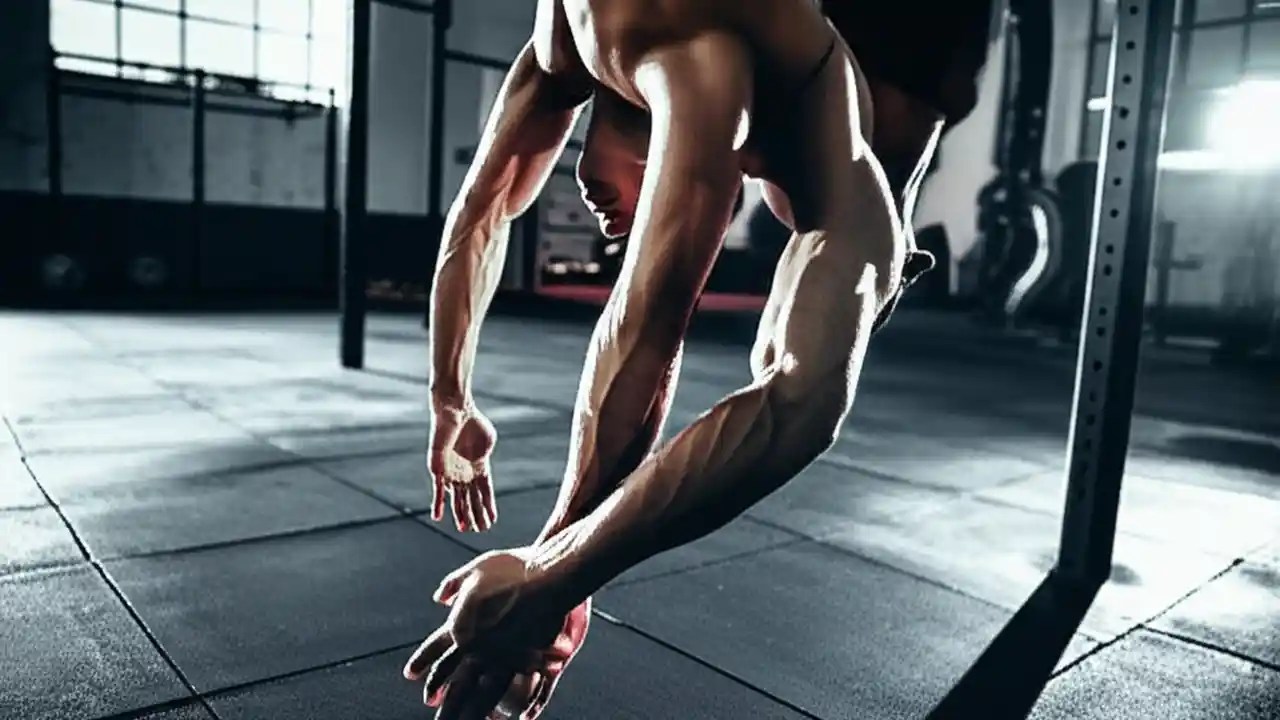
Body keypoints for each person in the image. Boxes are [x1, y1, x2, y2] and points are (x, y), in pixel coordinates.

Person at [411, 1, 994, 717]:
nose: (601, 209)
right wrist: (449, 397)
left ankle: (895, 249)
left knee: (809, 391)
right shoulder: (567, 40)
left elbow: (650, 330)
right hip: (794, 74)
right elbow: (482, 210)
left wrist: (552, 576)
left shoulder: (698, 67)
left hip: (862, 106)